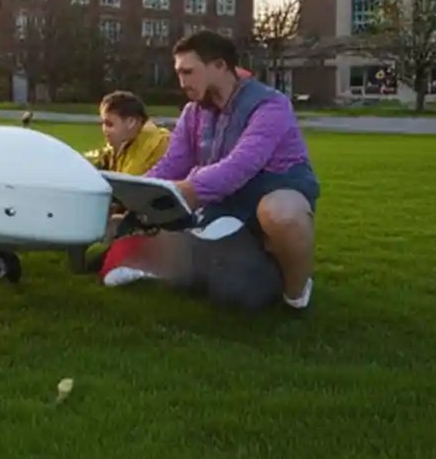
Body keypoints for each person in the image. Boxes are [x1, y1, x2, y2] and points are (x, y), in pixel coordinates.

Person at [145, 30, 320, 310]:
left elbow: (240, 165)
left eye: (189, 72)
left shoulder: (270, 105)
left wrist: (187, 190)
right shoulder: (193, 112)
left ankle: (296, 295)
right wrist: (135, 191)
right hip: (224, 207)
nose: (182, 83)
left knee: (282, 213)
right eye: (179, 73)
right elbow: (171, 165)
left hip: (272, 192)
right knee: (231, 291)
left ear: (220, 66)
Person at [82, 91, 171, 286]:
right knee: (90, 259)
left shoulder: (153, 142)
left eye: (109, 123)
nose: (104, 129)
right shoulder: (127, 142)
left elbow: (128, 186)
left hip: (159, 222)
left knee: (97, 257)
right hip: (144, 215)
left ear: (131, 122)